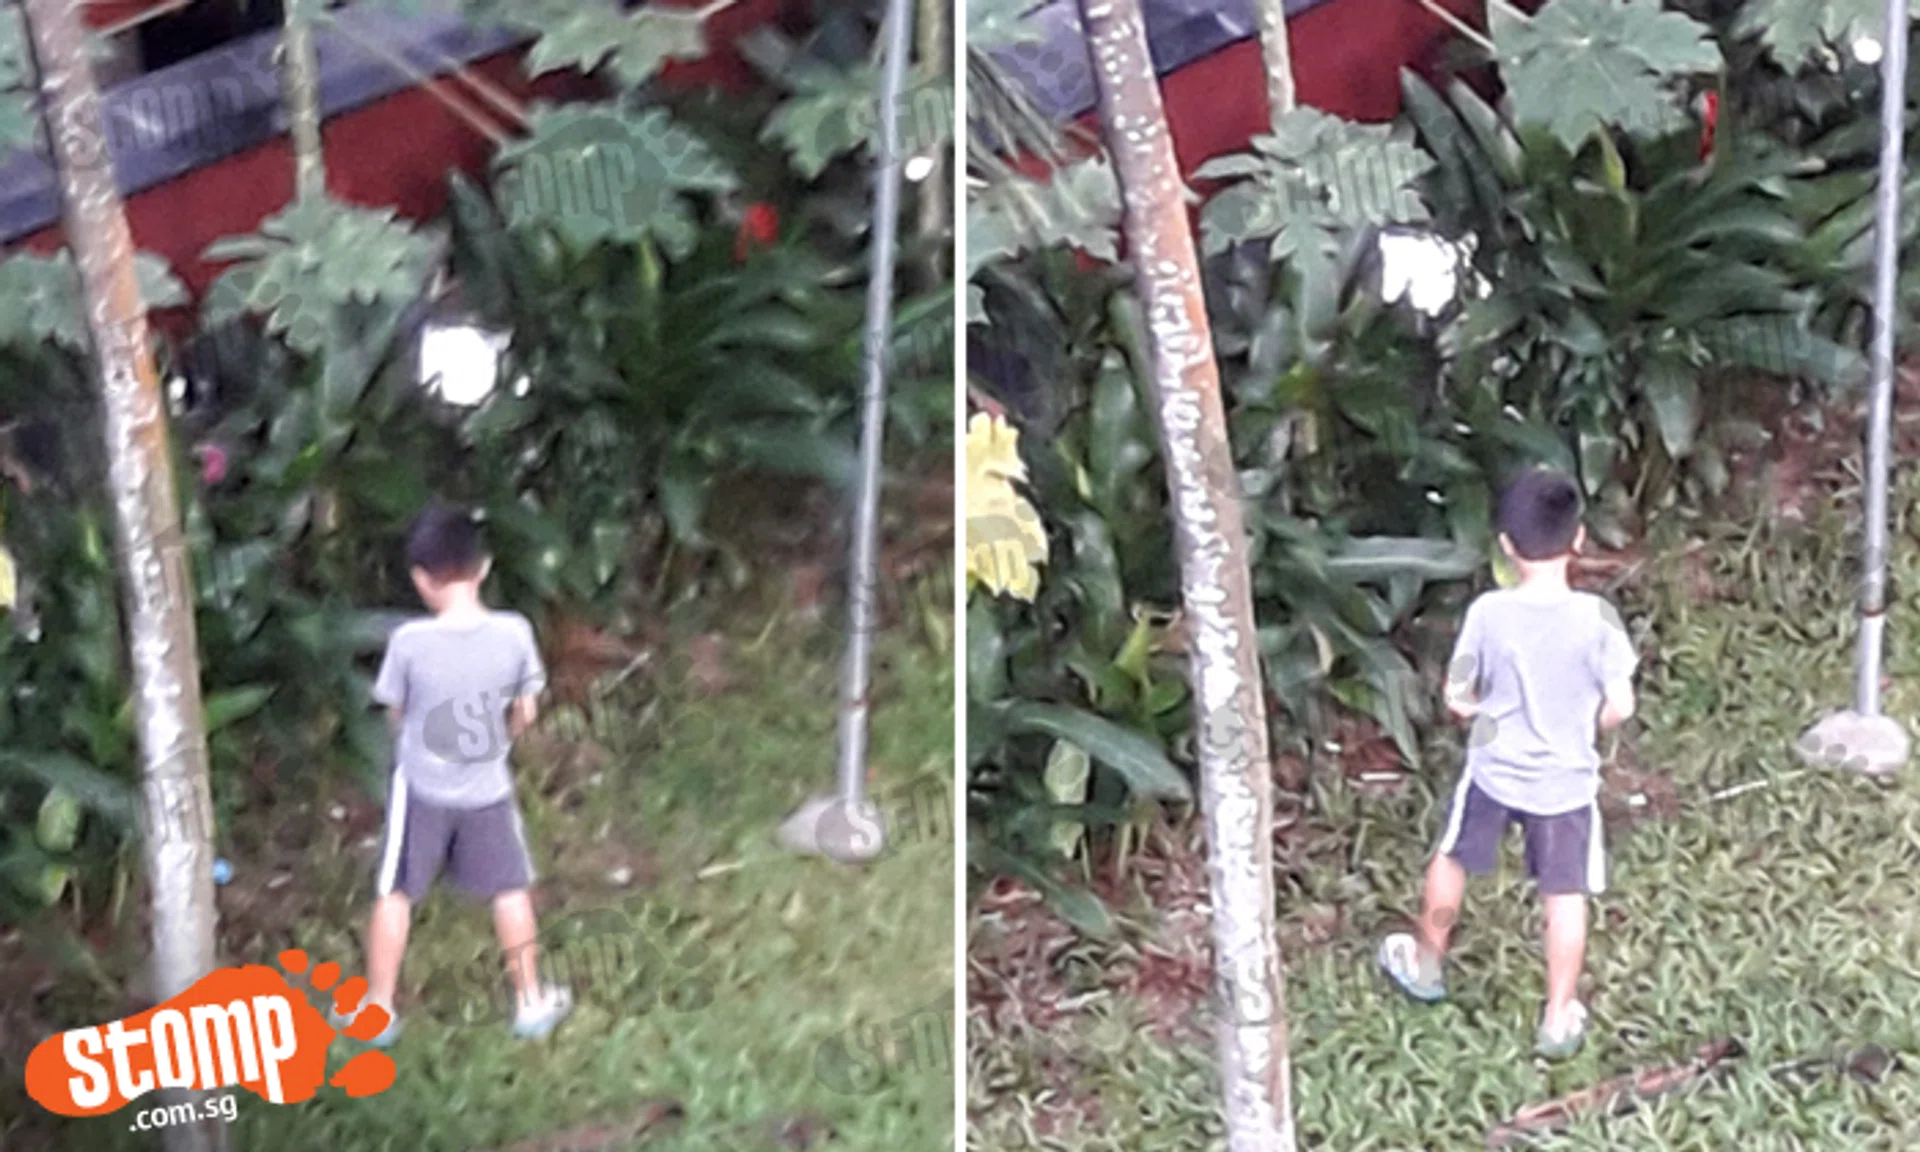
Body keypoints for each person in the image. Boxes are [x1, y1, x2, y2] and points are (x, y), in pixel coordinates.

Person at [1378, 467, 1637, 1060]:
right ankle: (1557, 1016)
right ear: (1578, 540)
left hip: (1494, 771)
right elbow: (1620, 705)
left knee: (1453, 858)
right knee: (1564, 892)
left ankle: (1425, 963)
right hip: (1566, 783)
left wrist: (1485, 717)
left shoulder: (1488, 614)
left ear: (1505, 546)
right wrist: (1584, 725)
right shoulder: (1596, 619)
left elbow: (1458, 696)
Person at [334, 504, 572, 1046]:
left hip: (420, 787)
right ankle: (530, 1001)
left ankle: (378, 1009)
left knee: (395, 891)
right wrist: (503, 737)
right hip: (488, 786)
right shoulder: (514, 633)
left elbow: (396, 711)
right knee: (511, 889)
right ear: (483, 567)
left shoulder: (409, 643)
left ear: (420, 578)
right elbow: (527, 709)